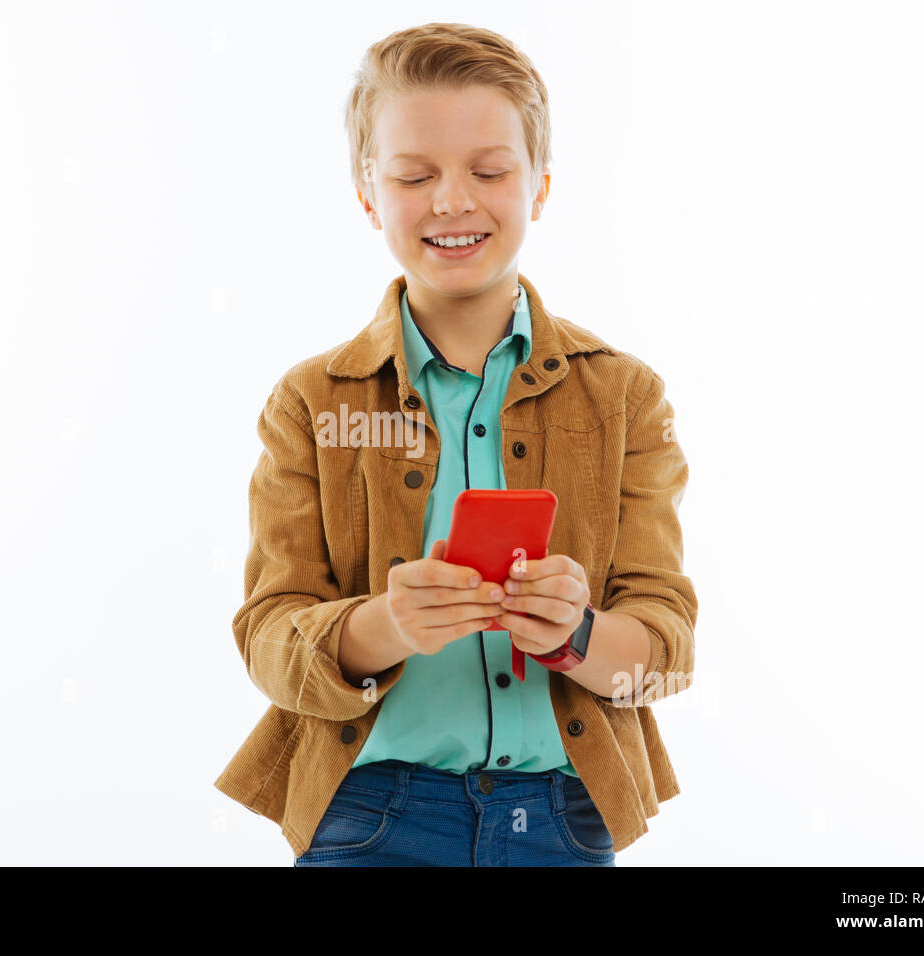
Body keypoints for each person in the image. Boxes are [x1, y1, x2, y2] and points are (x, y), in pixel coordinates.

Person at [214, 22, 698, 866]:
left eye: (489, 170)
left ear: (540, 186)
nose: (451, 200)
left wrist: (575, 634)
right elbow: (269, 634)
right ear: (368, 194)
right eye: (413, 175)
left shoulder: (626, 397)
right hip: (370, 812)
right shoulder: (311, 401)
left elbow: (666, 651)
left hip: (563, 817)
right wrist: (385, 625)